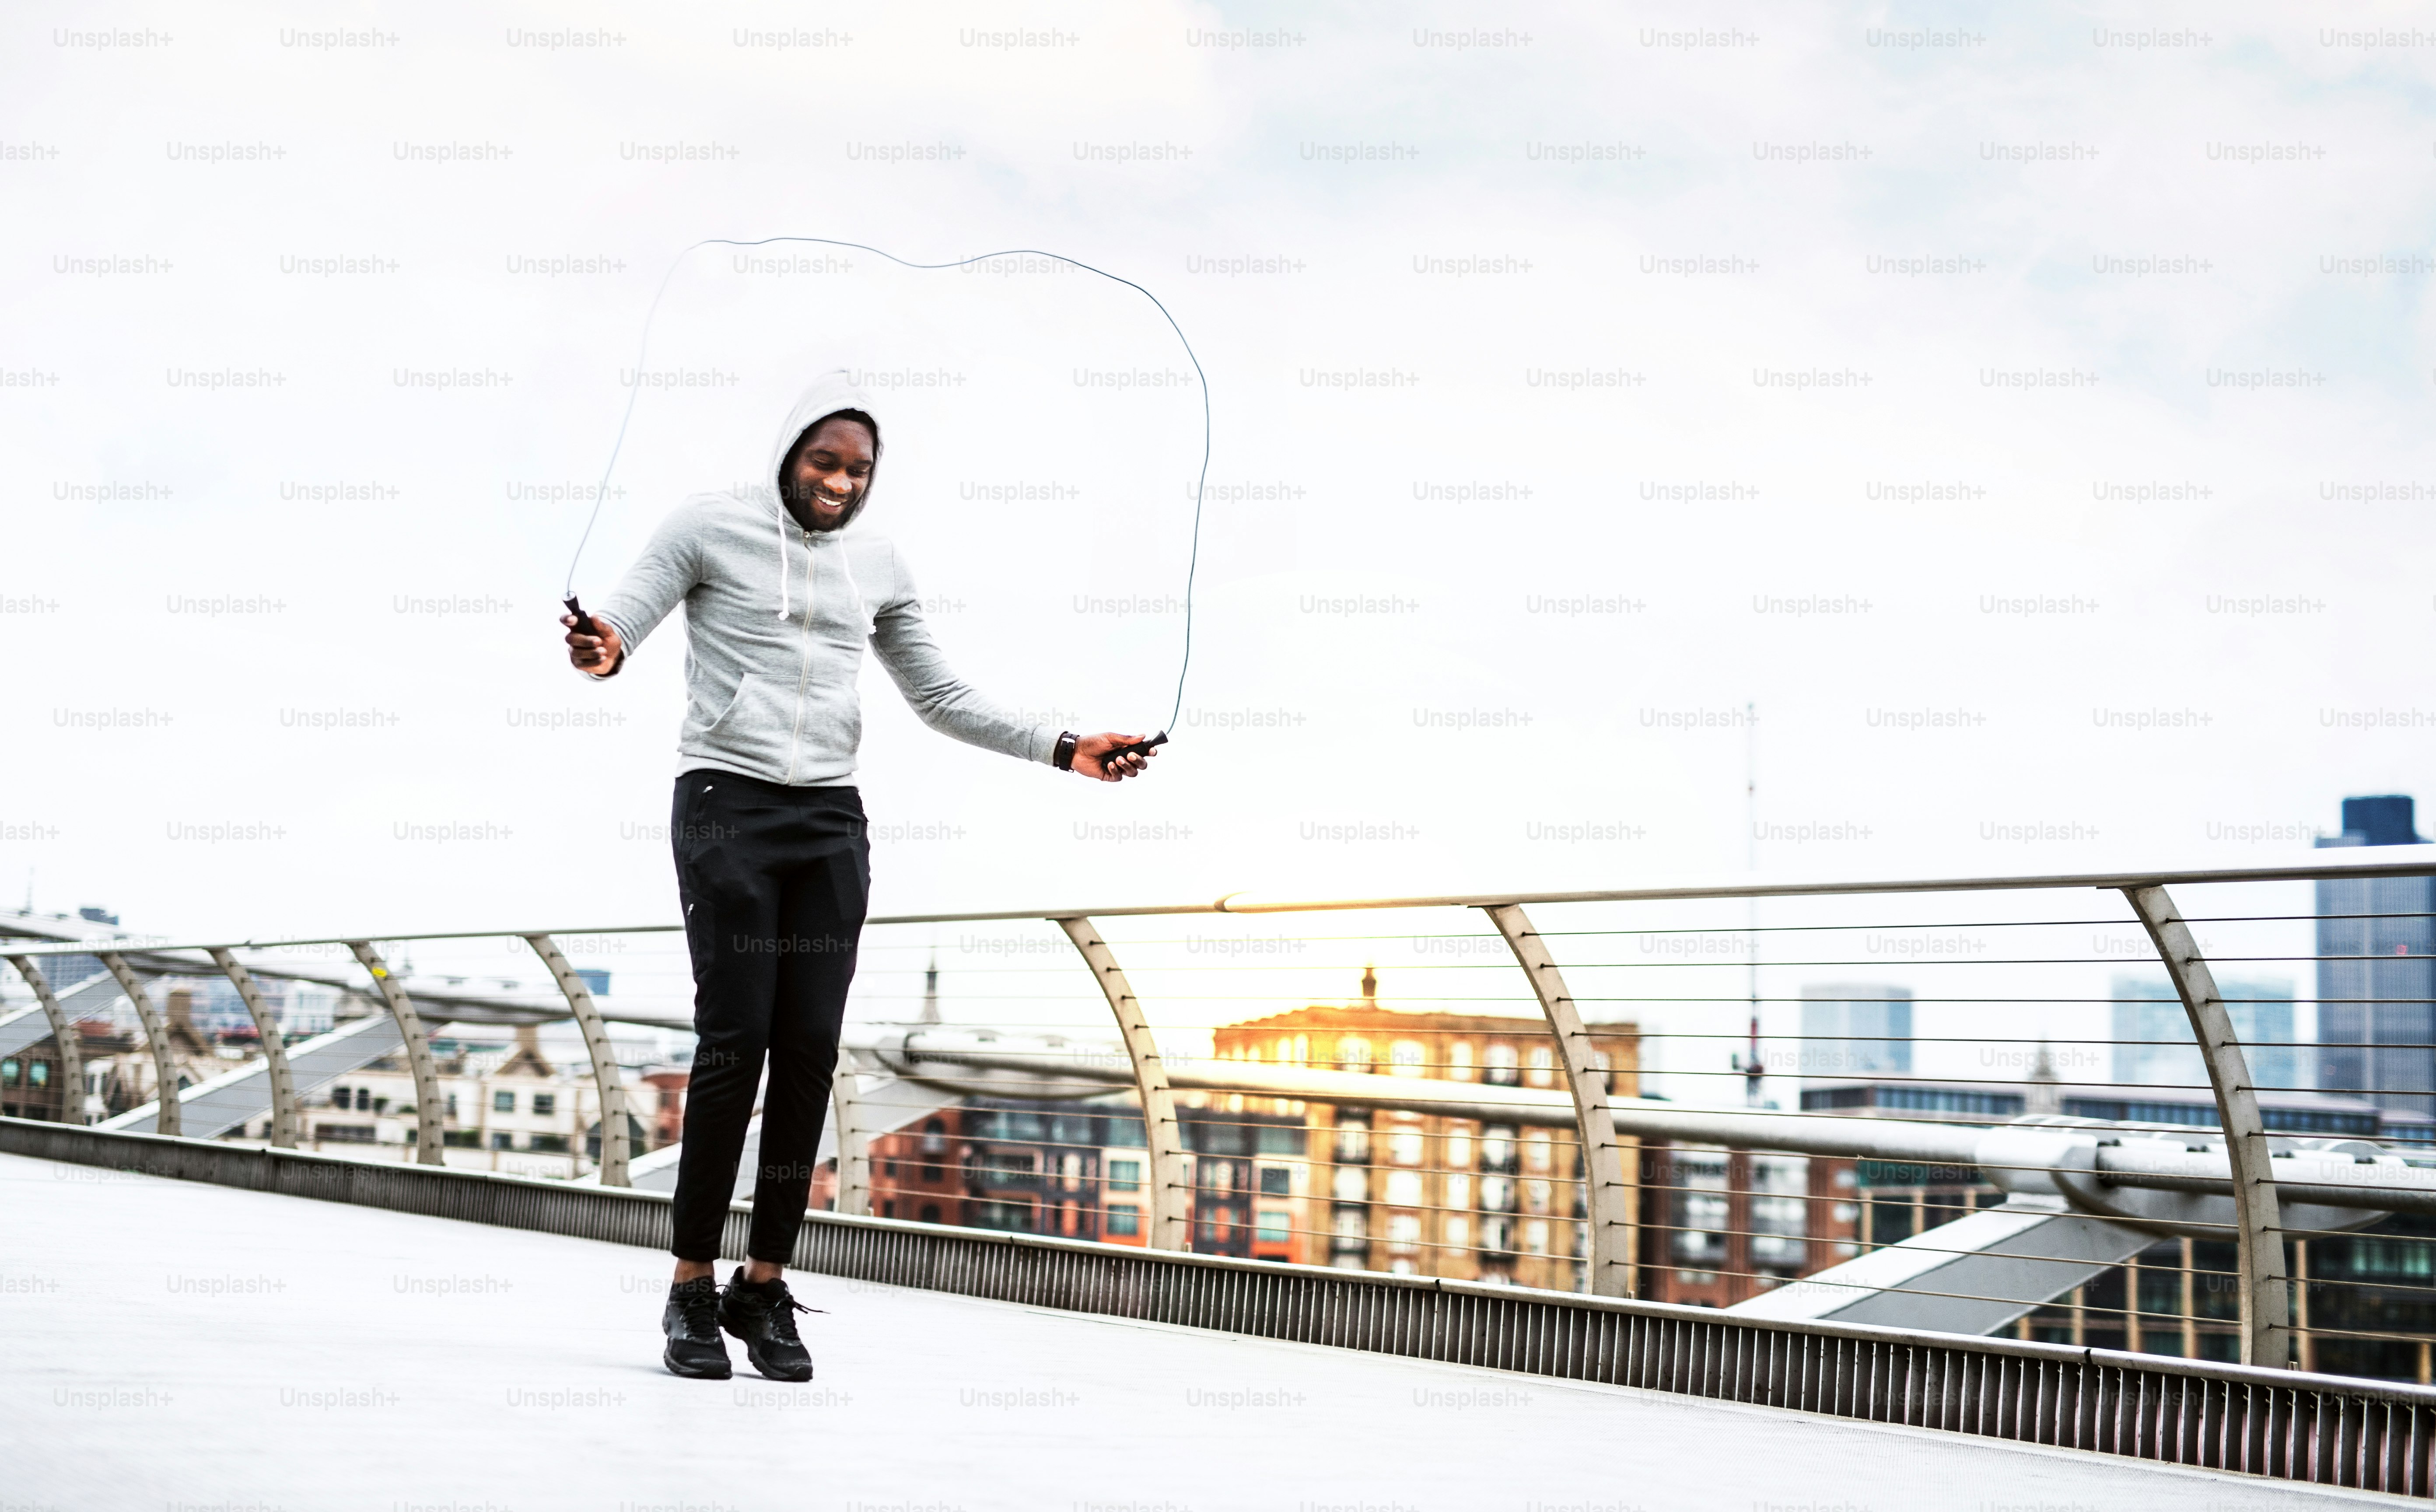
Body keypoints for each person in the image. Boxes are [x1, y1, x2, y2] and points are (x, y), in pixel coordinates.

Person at [562, 370, 1155, 1381]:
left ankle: (763, 1286)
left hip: (830, 819)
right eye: (824, 462)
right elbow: (618, 627)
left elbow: (940, 695)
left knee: (808, 1051)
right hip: (726, 806)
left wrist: (1064, 747)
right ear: (788, 453)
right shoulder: (707, 526)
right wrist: (599, 651)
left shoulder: (877, 562)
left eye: (858, 470)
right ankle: (689, 1290)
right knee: (733, 1040)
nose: (840, 482)